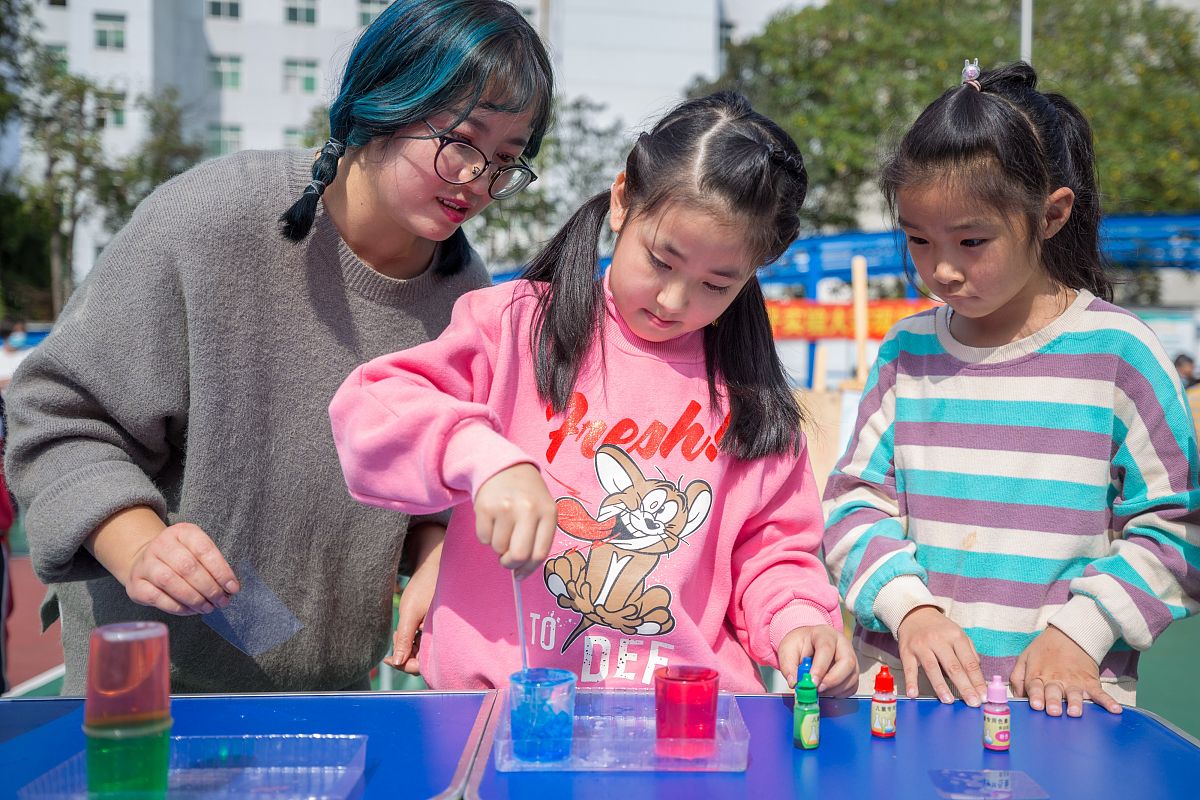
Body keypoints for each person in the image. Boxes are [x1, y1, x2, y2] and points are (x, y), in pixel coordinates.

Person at [3, 0, 553, 694]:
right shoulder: (212, 220)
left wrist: (438, 558)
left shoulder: (463, 296)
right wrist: (138, 542)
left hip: (333, 693)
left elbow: (430, 492)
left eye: (506, 160)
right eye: (463, 141)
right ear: (380, 102)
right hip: (151, 689)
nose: (478, 179)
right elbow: (57, 416)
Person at [329, 91, 858, 694]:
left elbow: (772, 553)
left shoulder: (752, 399)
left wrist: (798, 621)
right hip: (503, 716)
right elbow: (370, 408)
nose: (674, 301)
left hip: (684, 725)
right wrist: (483, 457)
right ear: (622, 199)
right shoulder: (514, 326)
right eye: (661, 260)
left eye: (717, 283)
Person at [822, 60, 1200, 718]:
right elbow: (852, 508)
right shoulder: (906, 350)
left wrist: (1077, 635)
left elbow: (1178, 530)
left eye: (972, 240)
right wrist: (909, 611)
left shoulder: (1120, 353)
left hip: (1059, 710)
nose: (942, 268)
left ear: (1051, 215)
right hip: (908, 706)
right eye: (918, 239)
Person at [0, 320, 31, 394]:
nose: (21, 334)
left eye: (23, 330)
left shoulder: (30, 353)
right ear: (6, 334)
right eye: (16, 331)